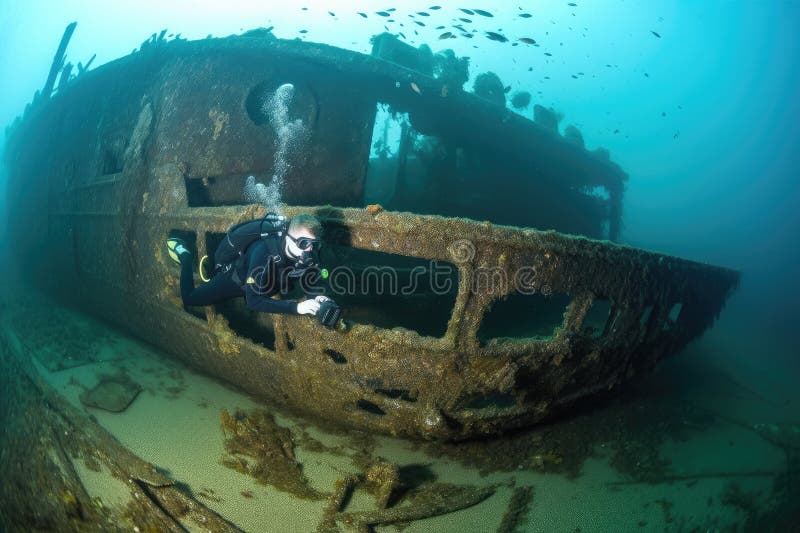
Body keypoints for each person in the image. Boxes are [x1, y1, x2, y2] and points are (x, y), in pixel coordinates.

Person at [165, 213, 333, 318]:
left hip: (267, 283)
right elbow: (253, 302)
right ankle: (186, 256)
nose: (310, 249)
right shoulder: (264, 252)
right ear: (288, 237)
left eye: (314, 244)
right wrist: (297, 308)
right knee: (189, 298)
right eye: (304, 243)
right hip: (237, 281)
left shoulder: (309, 254)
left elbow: (312, 281)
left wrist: (317, 297)